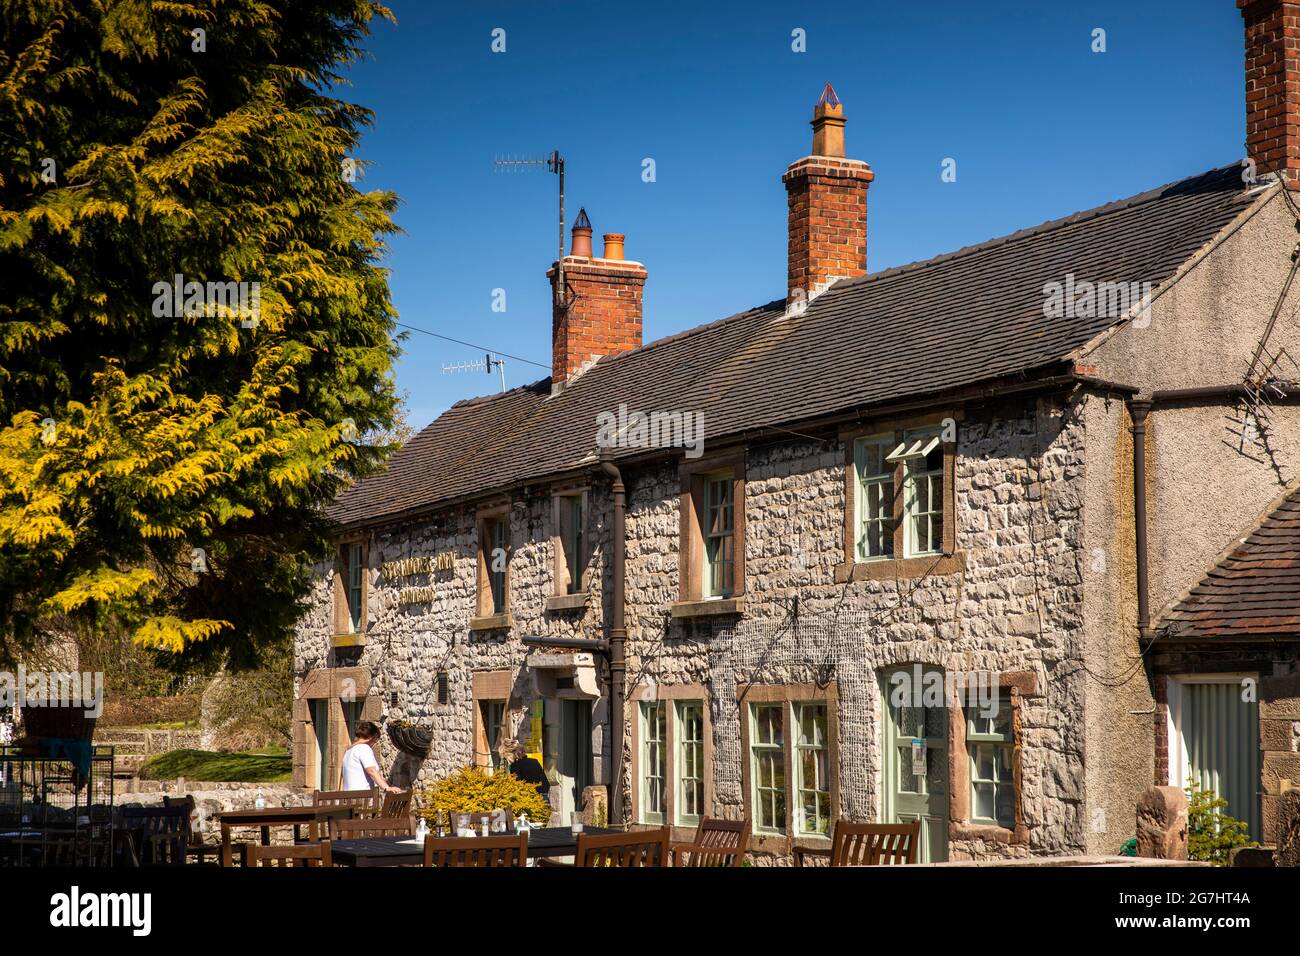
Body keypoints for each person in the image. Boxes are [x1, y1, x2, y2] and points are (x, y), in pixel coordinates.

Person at [340, 721, 400, 793]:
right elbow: (371, 771)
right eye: (375, 741)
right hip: (361, 796)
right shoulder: (363, 748)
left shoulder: (349, 750)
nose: (373, 745)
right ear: (371, 738)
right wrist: (386, 788)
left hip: (349, 797)